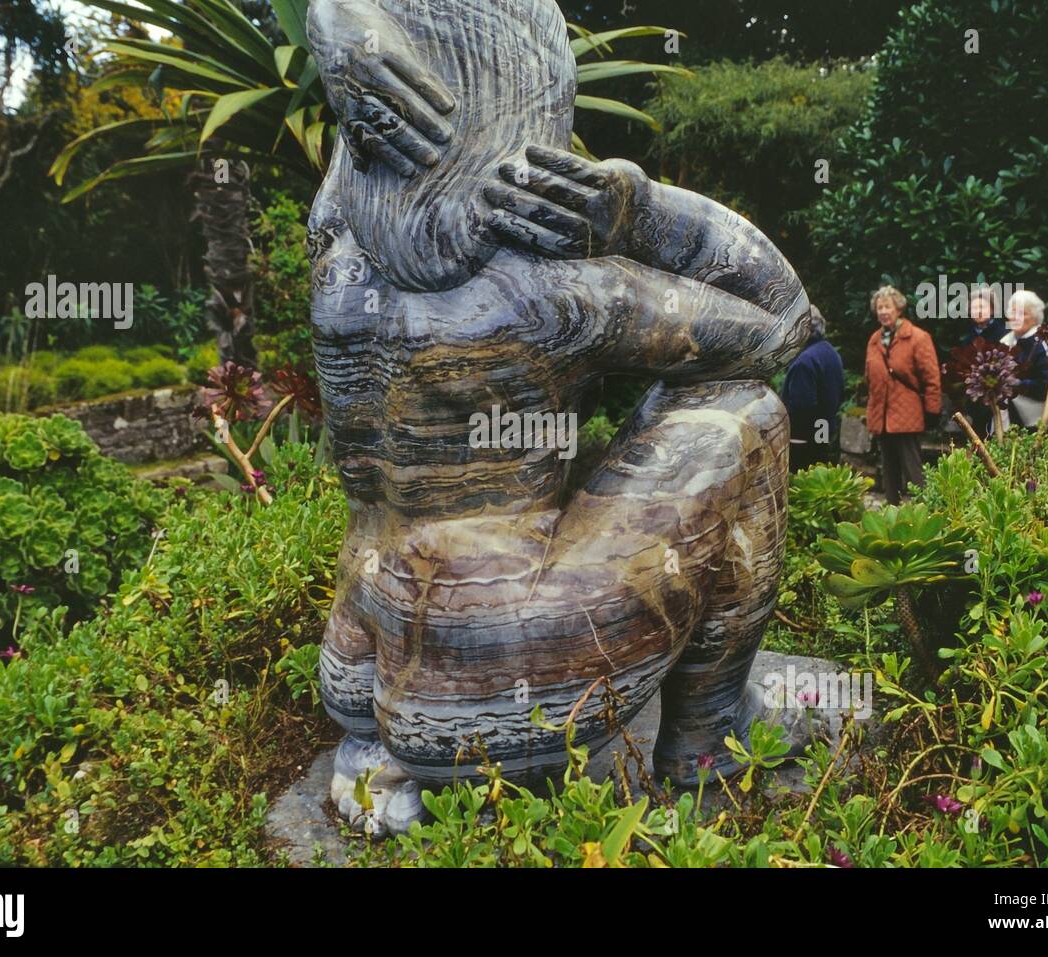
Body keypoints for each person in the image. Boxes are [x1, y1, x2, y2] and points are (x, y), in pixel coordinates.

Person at [306, 0, 813, 835]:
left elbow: (366, 163)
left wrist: (340, 32)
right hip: (496, 684)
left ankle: (374, 750)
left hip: (359, 655)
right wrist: (640, 209)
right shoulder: (557, 294)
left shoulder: (336, 263)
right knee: (743, 410)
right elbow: (785, 319)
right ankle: (710, 734)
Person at [864, 285, 942, 504]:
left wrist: (932, 410)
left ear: (898, 308)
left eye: (887, 306)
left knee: (913, 470)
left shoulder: (918, 337)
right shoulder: (874, 340)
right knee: (889, 470)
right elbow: (869, 379)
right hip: (882, 416)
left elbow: (931, 378)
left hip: (908, 414)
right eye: (879, 307)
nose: (883, 312)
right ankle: (892, 513)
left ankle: (927, 512)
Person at [780, 306, 844, 471]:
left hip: (803, 438)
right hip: (824, 429)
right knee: (821, 472)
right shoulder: (830, 353)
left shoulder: (804, 361)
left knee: (802, 483)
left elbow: (802, 406)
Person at [959, 286, 1008, 438]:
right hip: (975, 394)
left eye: (982, 306)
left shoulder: (1002, 333)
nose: (978, 311)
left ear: (992, 309)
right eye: (974, 307)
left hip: (998, 393)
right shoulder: (968, 336)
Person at [1001, 290, 1048, 429]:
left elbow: (1047, 384)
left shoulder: (1041, 343)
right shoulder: (1005, 342)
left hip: (1038, 417)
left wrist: (1018, 384)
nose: (1016, 317)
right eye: (1013, 312)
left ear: (1035, 318)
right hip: (1010, 415)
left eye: (1023, 313)